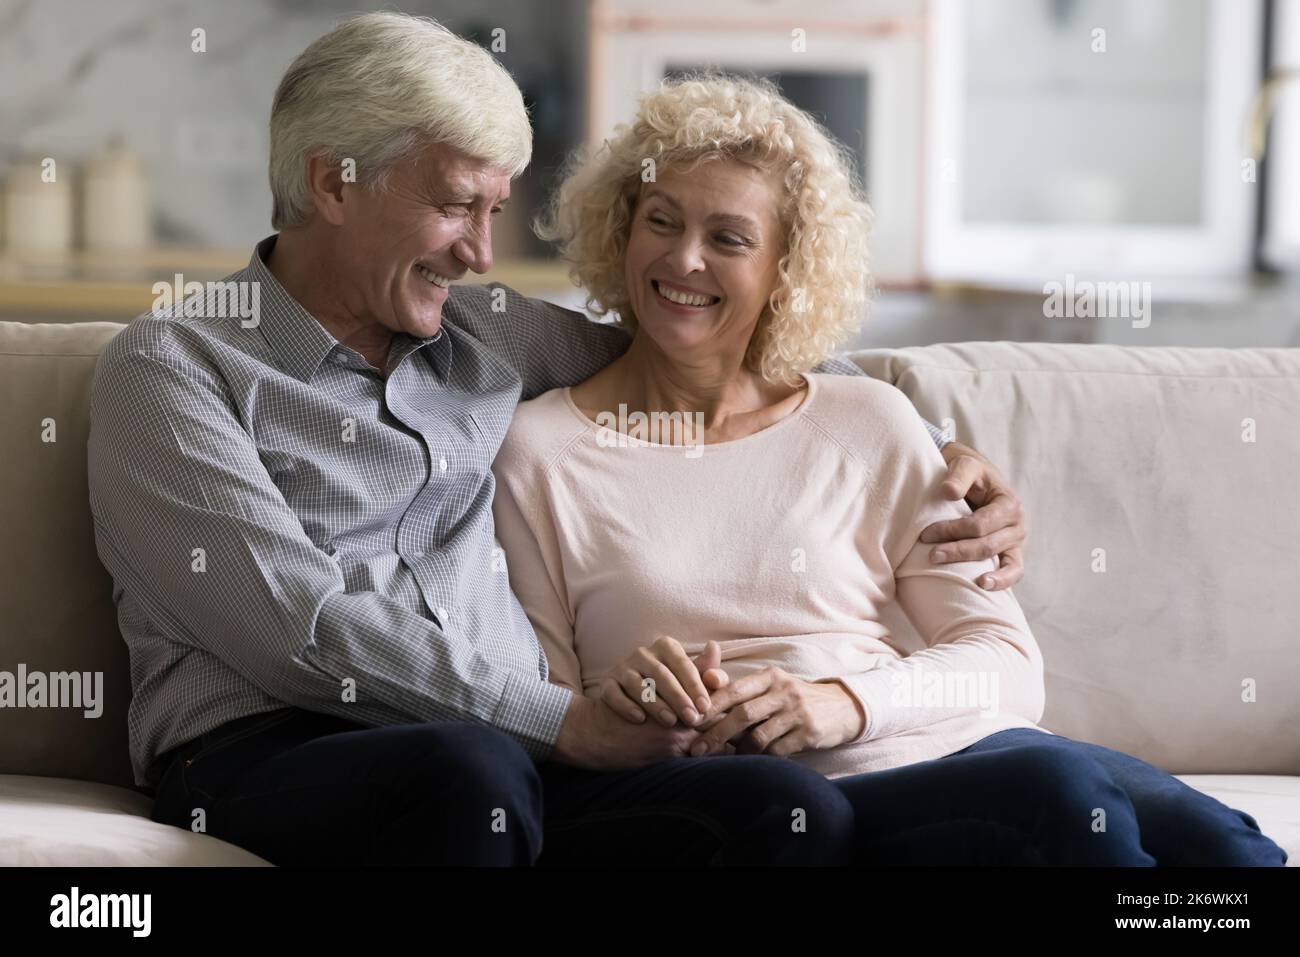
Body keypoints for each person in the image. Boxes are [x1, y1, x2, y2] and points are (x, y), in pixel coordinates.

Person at [88, 13, 1025, 866]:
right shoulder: (174, 367)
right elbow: (295, 626)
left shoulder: (484, 329)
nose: (479, 253)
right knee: (466, 776)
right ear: (335, 181)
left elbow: (702, 348)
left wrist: (938, 447)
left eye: (494, 212)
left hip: (511, 751)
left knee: (773, 803)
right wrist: (563, 720)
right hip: (272, 746)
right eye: (456, 205)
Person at [492, 72, 1289, 866]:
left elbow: (1005, 661)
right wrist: (621, 702)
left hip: (928, 740)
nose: (684, 258)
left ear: (784, 270)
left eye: (729, 239)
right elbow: (553, 717)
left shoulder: (865, 417)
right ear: (621, 229)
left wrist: (843, 702)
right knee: (1057, 795)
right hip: (781, 797)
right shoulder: (540, 452)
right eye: (660, 221)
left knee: (1227, 856)